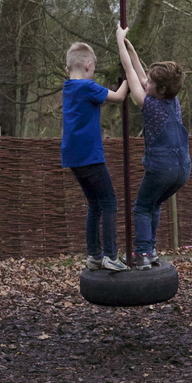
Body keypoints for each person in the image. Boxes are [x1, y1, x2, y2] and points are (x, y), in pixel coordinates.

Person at [116, 25, 191, 269]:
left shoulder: (148, 105)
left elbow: (130, 73)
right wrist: (133, 51)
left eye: (149, 82)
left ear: (159, 90)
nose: (144, 83)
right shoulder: (173, 100)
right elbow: (140, 73)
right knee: (154, 204)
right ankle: (151, 250)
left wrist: (119, 42)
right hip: (183, 169)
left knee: (141, 208)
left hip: (162, 167)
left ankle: (143, 253)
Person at [62, 42, 129, 271]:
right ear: (89, 66)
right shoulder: (88, 88)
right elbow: (119, 97)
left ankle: (94, 255)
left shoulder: (68, 87)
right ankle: (110, 255)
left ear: (67, 68)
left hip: (72, 157)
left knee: (94, 204)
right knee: (109, 202)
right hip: (90, 155)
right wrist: (128, 76)